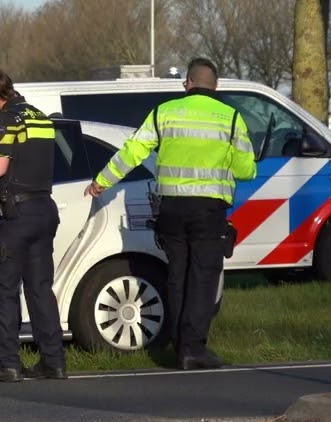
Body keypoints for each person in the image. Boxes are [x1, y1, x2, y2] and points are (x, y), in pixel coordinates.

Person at [85, 57, 257, 370]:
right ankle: (193, 349)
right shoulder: (231, 118)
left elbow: (132, 151)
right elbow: (246, 170)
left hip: (171, 208)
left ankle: (178, 348)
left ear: (187, 84)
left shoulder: (164, 113)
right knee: (203, 278)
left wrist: (102, 181)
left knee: (177, 276)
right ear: (215, 86)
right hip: (208, 209)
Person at [0, 67, 66, 382]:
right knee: (40, 289)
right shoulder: (40, 117)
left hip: (13, 214)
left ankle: (6, 362)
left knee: (1, 288)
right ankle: (53, 361)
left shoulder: (7, 118)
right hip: (44, 208)